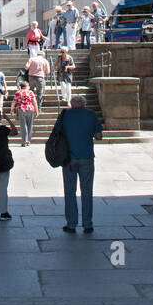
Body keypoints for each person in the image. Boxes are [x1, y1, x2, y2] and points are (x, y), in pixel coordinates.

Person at [57, 95, 104, 233]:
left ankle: (71, 224)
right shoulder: (91, 114)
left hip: (69, 158)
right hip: (87, 156)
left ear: (71, 104)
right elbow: (98, 136)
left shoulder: (65, 115)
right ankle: (87, 224)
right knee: (87, 191)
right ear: (84, 104)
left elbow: (56, 133)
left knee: (70, 191)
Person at [10, 78, 37, 146]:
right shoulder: (30, 92)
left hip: (21, 109)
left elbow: (14, 101)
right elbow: (34, 102)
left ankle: (24, 141)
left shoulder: (18, 92)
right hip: (30, 109)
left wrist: (12, 109)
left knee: (23, 125)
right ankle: (28, 140)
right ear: (27, 86)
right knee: (29, 125)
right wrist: (37, 110)